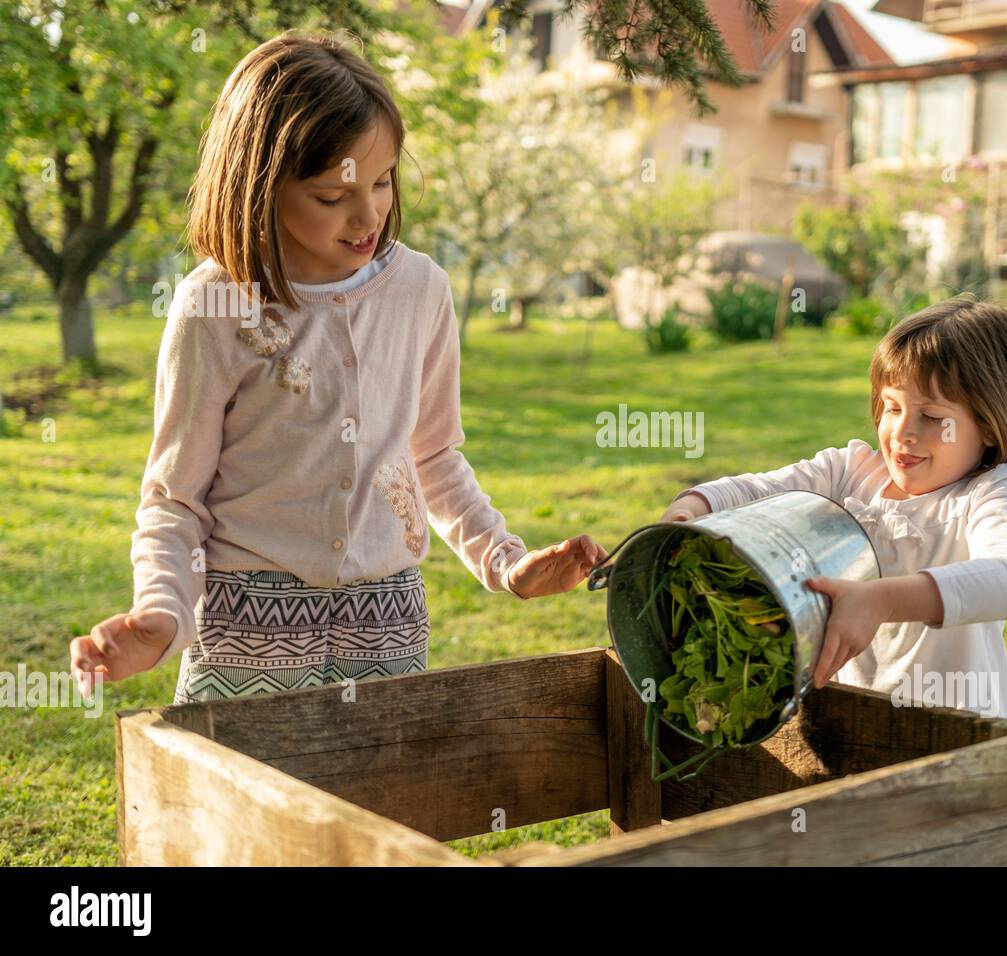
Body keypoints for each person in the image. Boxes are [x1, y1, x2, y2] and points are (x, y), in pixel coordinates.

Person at [70, 33, 606, 704]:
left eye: (383, 181)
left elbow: (433, 459)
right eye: (332, 196)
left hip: (387, 628)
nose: (369, 213)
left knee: (379, 806)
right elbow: (175, 498)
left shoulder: (422, 291)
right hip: (246, 631)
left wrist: (505, 562)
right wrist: (160, 613)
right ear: (260, 185)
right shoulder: (214, 306)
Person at [661, 298, 1007, 718]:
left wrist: (880, 600)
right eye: (893, 407)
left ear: (990, 425)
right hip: (848, 727)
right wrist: (685, 514)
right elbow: (755, 490)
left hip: (952, 744)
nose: (903, 432)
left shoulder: (992, 493)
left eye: (933, 417)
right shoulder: (849, 472)